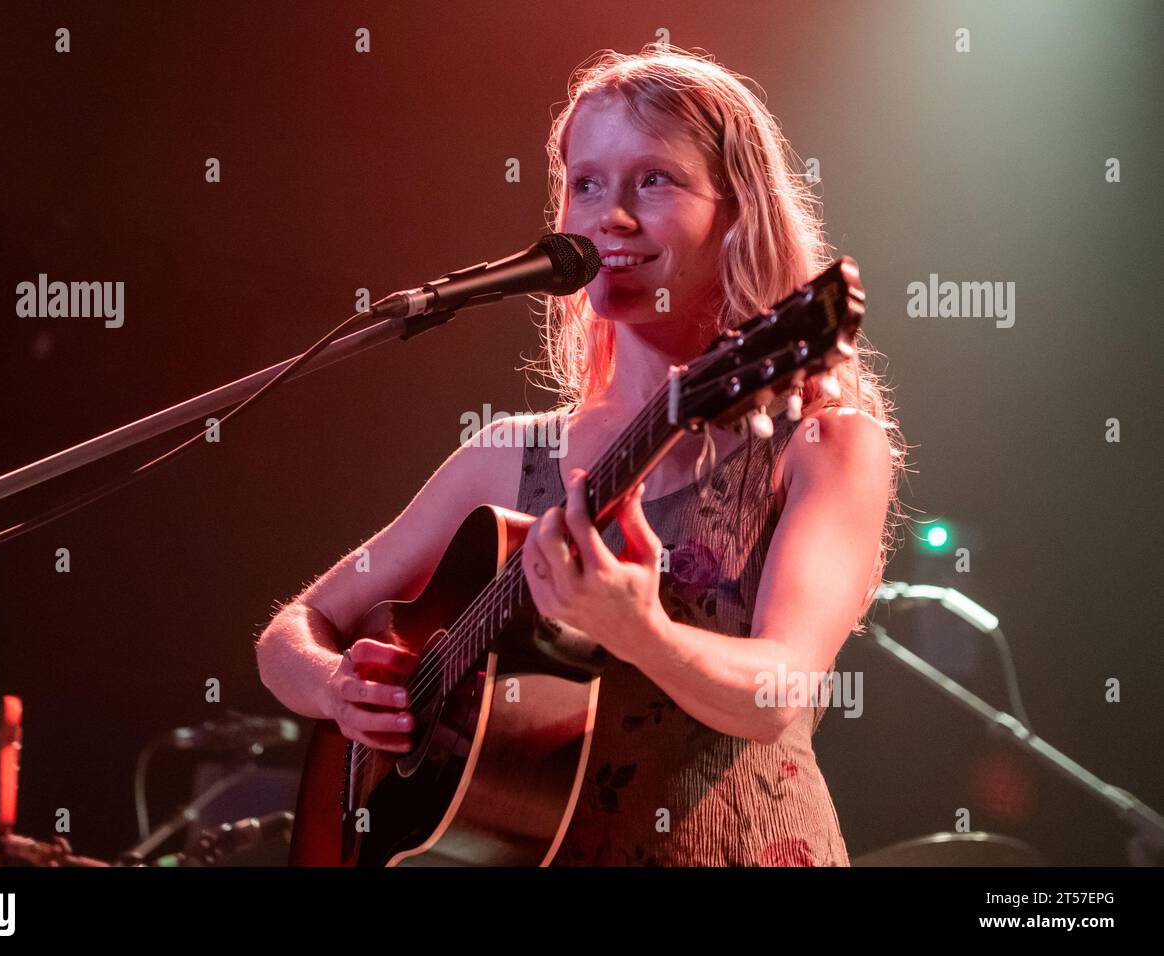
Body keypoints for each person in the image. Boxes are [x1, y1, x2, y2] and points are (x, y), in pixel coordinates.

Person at [256, 44, 905, 866]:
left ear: (739, 212)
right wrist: (340, 692)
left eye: (655, 181)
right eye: (587, 184)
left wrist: (640, 633)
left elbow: (782, 688)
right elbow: (292, 632)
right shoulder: (509, 457)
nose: (610, 216)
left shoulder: (824, 440)